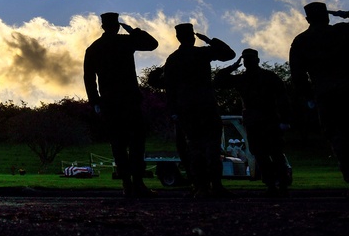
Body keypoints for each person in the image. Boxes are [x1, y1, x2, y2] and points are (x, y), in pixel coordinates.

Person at [289, 2, 349, 195]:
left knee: (340, 139)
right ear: (327, 16)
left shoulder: (301, 41)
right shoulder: (343, 31)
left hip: (326, 95)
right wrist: (346, 13)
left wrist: (309, 97)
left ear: (307, 19)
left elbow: (298, 76)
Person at [83, 12, 160, 198]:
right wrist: (134, 31)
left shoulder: (95, 48)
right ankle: (136, 183)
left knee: (120, 145)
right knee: (135, 144)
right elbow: (152, 44)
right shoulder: (125, 41)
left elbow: (89, 79)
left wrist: (95, 102)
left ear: (103, 27)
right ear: (116, 26)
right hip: (128, 101)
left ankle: (129, 184)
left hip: (111, 102)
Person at [163, 23, 236, 198]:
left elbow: (169, 88)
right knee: (212, 148)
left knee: (195, 149)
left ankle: (201, 187)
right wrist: (210, 41)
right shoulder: (202, 53)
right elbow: (229, 54)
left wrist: (174, 110)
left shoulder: (173, 59)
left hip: (187, 109)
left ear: (178, 38)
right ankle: (215, 186)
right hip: (206, 106)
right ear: (193, 37)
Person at [214, 48, 292, 196]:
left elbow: (283, 98)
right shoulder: (246, 78)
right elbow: (218, 82)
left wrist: (285, 119)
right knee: (262, 154)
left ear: (256, 60)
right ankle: (273, 185)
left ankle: (280, 185)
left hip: (267, 120)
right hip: (256, 121)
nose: (248, 62)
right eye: (246, 59)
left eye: (249, 59)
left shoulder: (266, 77)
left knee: (274, 153)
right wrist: (232, 67)